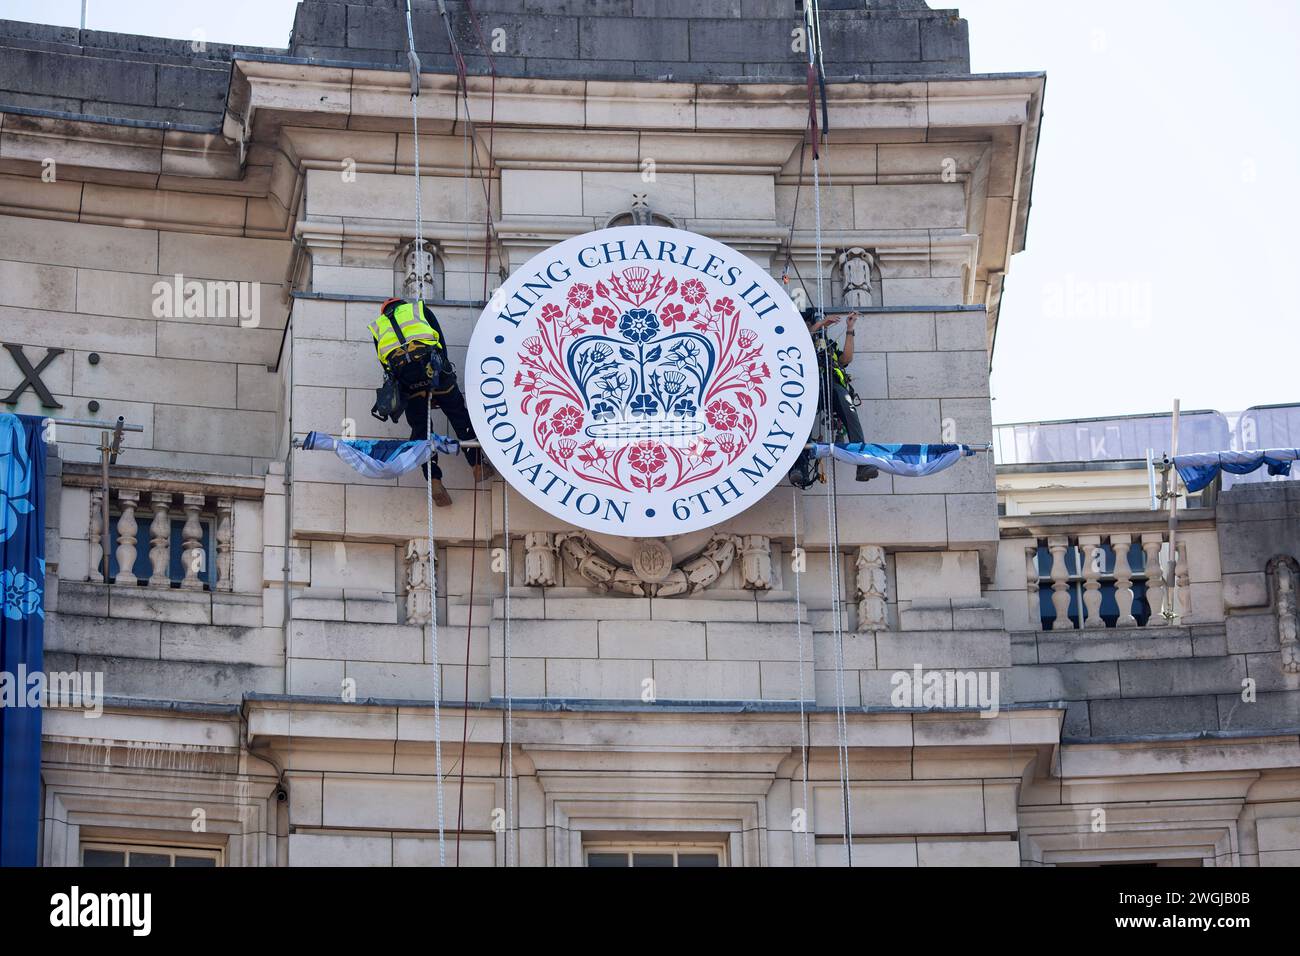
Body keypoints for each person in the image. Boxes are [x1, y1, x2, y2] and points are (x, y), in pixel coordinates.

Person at [368, 297, 491, 506]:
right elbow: (440, 343)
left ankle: (434, 480)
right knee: (458, 415)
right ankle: (477, 465)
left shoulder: (378, 327)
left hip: (408, 383)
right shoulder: (418, 310)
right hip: (434, 372)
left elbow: (385, 365)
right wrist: (442, 372)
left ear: (384, 311)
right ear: (402, 304)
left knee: (421, 431)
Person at [801, 306, 877, 483]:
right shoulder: (800, 341)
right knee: (801, 423)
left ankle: (862, 463)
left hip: (832, 385)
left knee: (850, 413)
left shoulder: (828, 346)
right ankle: (800, 468)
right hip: (807, 387)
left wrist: (850, 330)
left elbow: (845, 359)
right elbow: (801, 338)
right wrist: (819, 324)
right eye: (815, 323)